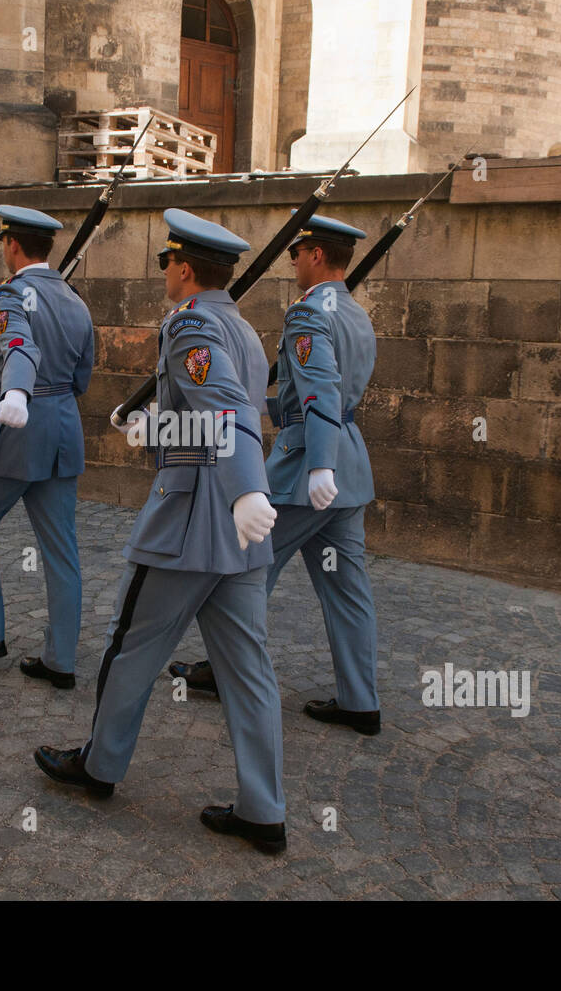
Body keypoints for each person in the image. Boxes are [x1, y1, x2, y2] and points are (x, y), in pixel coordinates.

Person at [33, 209, 288, 854]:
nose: (165, 275)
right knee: (249, 671)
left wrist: (248, 489)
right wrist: (163, 427)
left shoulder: (193, 325)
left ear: (182, 269)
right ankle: (264, 809)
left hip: (193, 519)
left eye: (166, 265)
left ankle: (99, 765)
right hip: (240, 533)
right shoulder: (247, 332)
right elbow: (220, 416)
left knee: (131, 648)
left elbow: (227, 413)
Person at [170, 215, 382, 735]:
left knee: (241, 570)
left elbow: (320, 392)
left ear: (314, 255)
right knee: (347, 589)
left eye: (296, 252)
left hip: (307, 468)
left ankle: (227, 673)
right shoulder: (354, 312)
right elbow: (316, 396)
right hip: (347, 467)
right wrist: (261, 407)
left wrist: (319, 463)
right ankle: (361, 701)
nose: (291, 261)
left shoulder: (308, 313)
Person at [0, 205, 94, 690]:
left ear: (11, 246)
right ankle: (61, 660)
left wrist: (16, 393)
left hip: (20, 425)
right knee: (61, 551)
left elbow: (19, 347)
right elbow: (82, 377)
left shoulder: (10, 295)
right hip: (64, 429)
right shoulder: (75, 300)